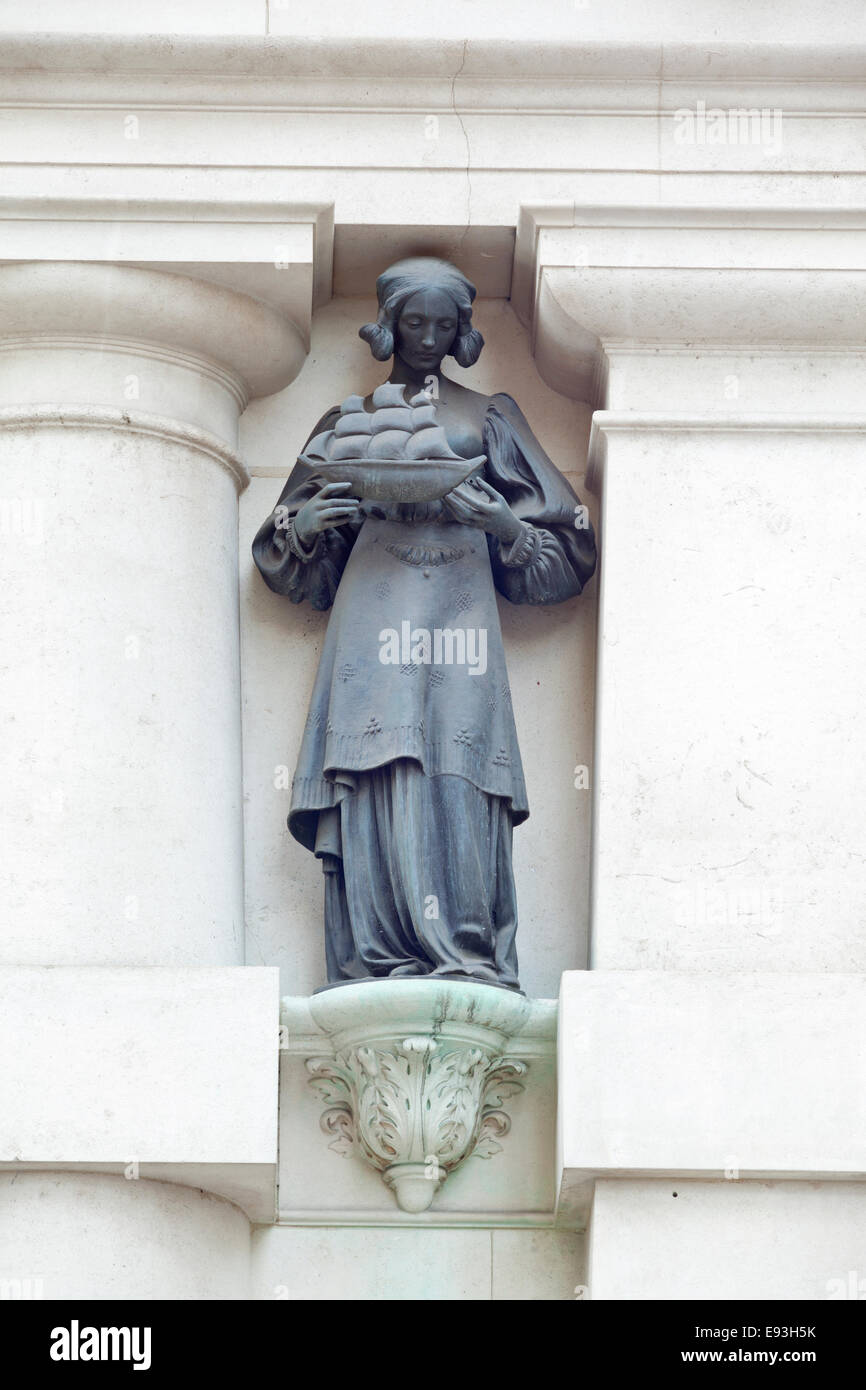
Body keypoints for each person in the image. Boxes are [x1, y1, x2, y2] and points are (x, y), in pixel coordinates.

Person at [252, 257, 596, 991]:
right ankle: (376, 951)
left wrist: (504, 523)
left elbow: (567, 545)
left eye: (445, 325)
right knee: (377, 768)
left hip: (461, 623)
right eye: (415, 323)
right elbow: (289, 559)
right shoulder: (352, 424)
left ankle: (463, 949)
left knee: (458, 770)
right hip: (371, 622)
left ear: (462, 330)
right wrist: (306, 524)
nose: (429, 338)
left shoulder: (487, 418)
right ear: (389, 327)